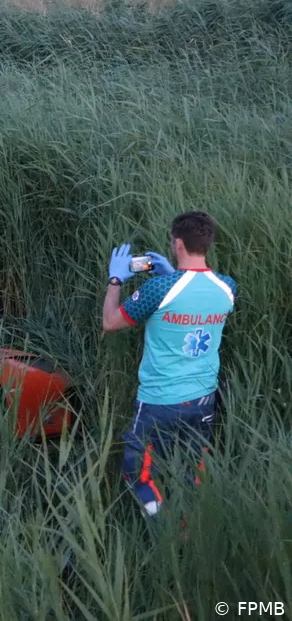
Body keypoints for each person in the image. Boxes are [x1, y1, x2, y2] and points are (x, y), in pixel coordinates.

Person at [102, 210, 236, 518]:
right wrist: (168, 275)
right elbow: (190, 301)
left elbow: (110, 323)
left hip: (158, 403)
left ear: (177, 243)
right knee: (193, 474)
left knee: (136, 474)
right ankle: (192, 532)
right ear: (207, 243)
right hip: (203, 400)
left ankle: (166, 531)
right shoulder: (227, 288)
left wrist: (115, 279)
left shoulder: (159, 290)